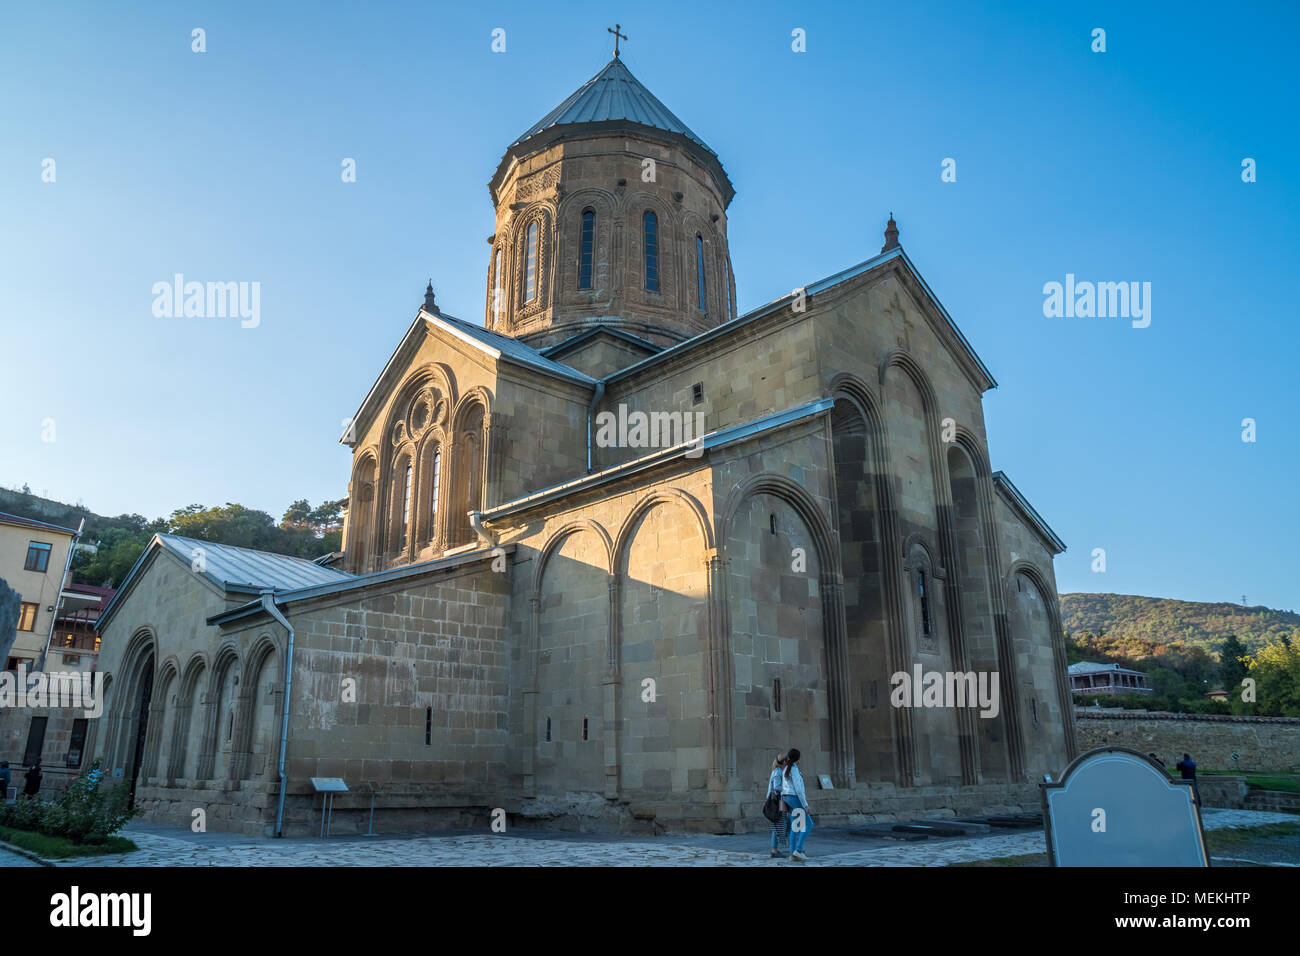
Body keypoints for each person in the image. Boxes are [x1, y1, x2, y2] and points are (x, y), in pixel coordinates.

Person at [780, 747, 814, 861]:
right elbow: (798, 789)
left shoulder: (786, 769)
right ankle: (798, 850)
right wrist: (806, 805)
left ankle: (792, 853)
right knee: (809, 824)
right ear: (797, 759)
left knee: (795, 825)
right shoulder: (794, 770)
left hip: (787, 798)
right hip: (795, 798)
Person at [766, 753, 789, 857]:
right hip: (776, 802)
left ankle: (775, 849)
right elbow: (776, 787)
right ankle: (774, 850)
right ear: (784, 762)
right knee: (778, 825)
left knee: (778, 825)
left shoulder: (776, 771)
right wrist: (786, 788)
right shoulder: (778, 772)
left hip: (775, 802)